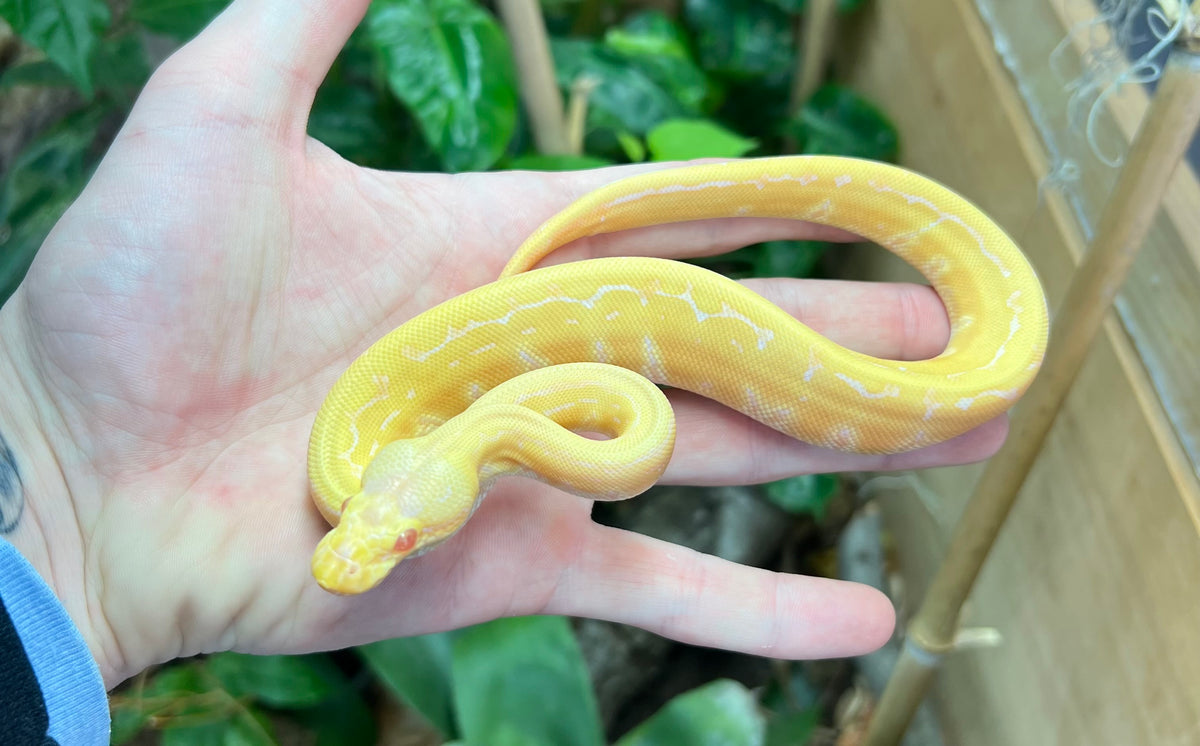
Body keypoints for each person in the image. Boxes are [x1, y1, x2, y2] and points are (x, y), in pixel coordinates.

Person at [0, 0, 1008, 741]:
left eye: (384, 533)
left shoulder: (457, 453)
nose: (354, 538)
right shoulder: (456, 453)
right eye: (380, 530)